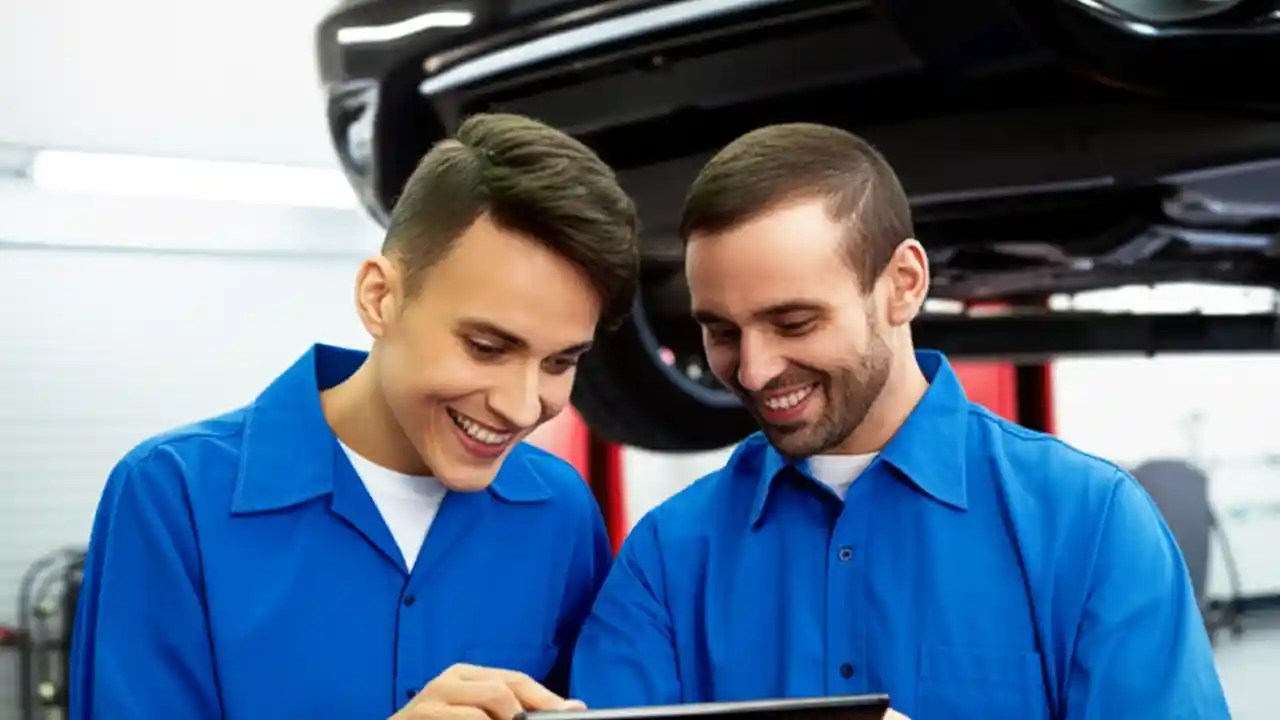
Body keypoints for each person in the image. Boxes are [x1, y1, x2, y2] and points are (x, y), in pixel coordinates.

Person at [569, 123, 1231, 719]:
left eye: (794, 322)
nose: (753, 370)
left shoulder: (1089, 524)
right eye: (720, 330)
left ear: (904, 284)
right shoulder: (665, 559)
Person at [69, 112, 640, 719]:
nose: (523, 405)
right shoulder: (174, 497)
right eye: (486, 347)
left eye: (559, 362)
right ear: (379, 297)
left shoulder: (561, 514)